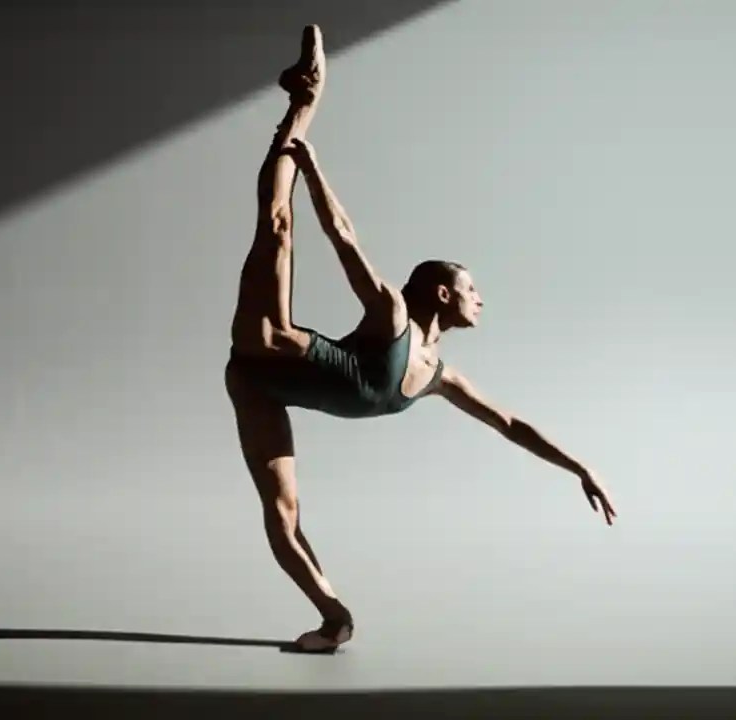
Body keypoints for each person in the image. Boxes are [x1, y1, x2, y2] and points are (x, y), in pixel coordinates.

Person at [224, 25, 618, 653]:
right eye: (472, 289)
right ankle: (305, 102)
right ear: (441, 293)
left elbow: (510, 423)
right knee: (277, 226)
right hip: (266, 344)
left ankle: (332, 619)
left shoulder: (439, 374)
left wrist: (579, 466)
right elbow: (344, 238)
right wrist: (314, 170)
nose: (480, 299)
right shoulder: (390, 315)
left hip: (254, 388)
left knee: (284, 516)